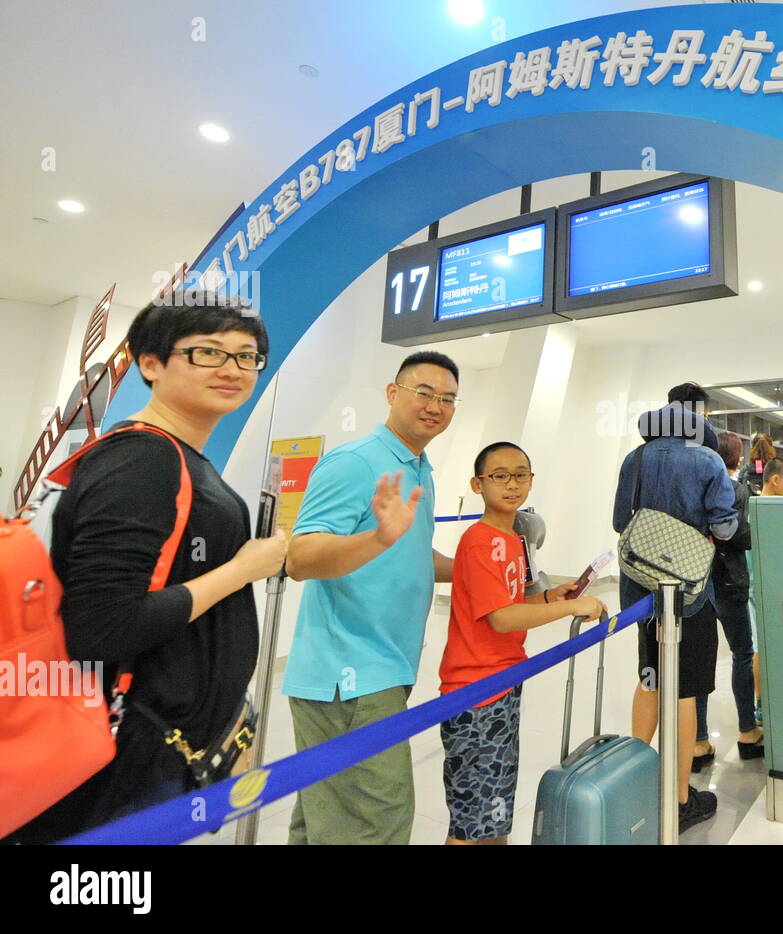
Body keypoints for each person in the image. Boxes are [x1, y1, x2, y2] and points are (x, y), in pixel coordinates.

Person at [6, 292, 287, 844]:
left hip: (157, 746)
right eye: (207, 352)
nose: (231, 368)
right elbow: (104, 627)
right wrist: (242, 569)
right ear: (150, 363)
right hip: (124, 751)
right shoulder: (143, 460)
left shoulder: (178, 457)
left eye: (246, 355)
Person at [282, 350, 459, 845]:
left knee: (324, 818)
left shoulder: (419, 469)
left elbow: (415, 555)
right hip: (351, 676)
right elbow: (301, 558)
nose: (435, 406)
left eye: (447, 399)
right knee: (376, 822)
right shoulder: (357, 462)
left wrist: (486, 568)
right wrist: (378, 539)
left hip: (384, 669)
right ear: (392, 392)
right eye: (423, 393)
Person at [438, 442, 605, 845]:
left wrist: (551, 598)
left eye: (521, 474)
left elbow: (509, 603)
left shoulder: (513, 537)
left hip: (505, 680)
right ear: (477, 484)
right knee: (470, 821)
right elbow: (501, 618)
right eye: (499, 476)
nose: (511, 484)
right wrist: (570, 610)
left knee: (494, 811)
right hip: (474, 692)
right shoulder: (478, 540)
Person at [613, 381, 737, 832]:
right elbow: (724, 528)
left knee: (649, 680)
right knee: (685, 691)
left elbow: (618, 522)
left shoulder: (635, 459)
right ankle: (681, 799)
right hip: (689, 593)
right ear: (697, 418)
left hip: (641, 592)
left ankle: (632, 783)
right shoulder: (708, 459)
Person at [692, 431, 762, 772]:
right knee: (742, 654)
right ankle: (748, 732)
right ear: (737, 458)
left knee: (701, 662)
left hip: (699, 583)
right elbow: (745, 536)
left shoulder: (696, 488)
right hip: (730, 583)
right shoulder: (739, 490)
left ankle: (698, 740)